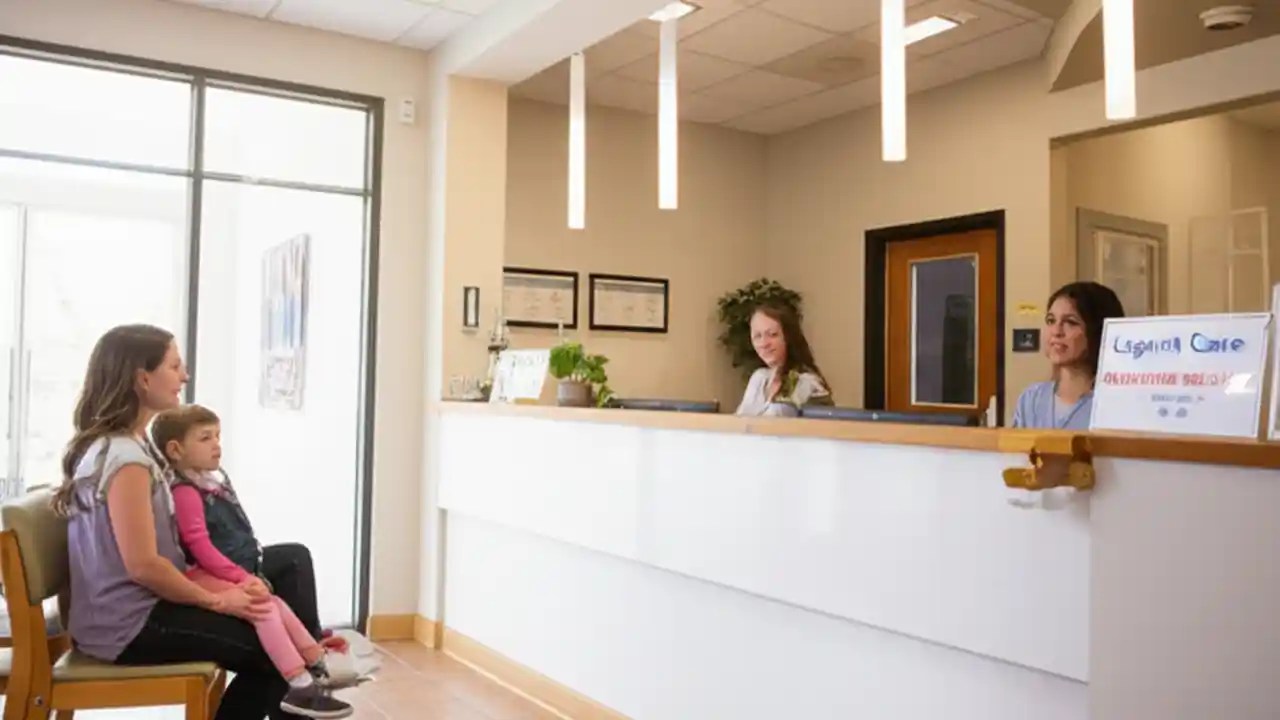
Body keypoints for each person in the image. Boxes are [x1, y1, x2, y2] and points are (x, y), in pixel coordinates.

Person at [53, 324, 343, 719]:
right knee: (273, 651)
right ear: (142, 378)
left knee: (285, 575)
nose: (184, 376)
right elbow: (143, 566)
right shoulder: (126, 461)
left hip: (135, 610)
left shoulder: (131, 447)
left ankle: (313, 678)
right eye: (175, 366)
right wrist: (220, 601)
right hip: (130, 625)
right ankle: (308, 681)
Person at [151, 404, 370, 718]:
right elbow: (200, 547)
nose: (217, 444)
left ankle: (316, 658)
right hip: (210, 574)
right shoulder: (186, 492)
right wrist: (242, 577)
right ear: (175, 449)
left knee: (282, 590)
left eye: (218, 436)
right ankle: (298, 679)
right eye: (205, 438)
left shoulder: (209, 482)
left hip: (229, 567)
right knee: (264, 608)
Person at [1011, 281, 1125, 430]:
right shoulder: (1031, 400)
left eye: (1070, 322)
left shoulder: (1117, 406)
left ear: (1098, 330)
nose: (1057, 331)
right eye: (1051, 321)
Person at [735, 303, 832, 416]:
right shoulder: (759, 378)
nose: (764, 343)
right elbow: (739, 422)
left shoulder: (806, 382)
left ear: (788, 337)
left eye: (772, 335)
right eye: (757, 336)